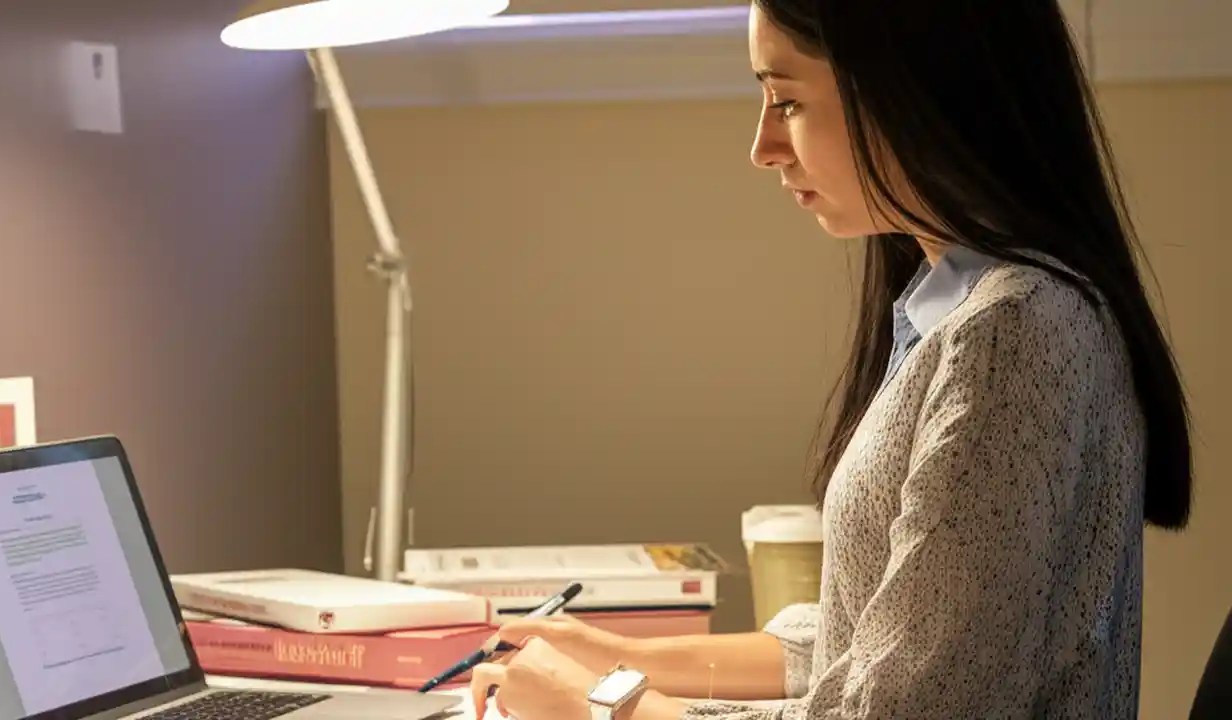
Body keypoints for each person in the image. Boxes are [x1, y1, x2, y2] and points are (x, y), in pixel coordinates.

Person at [469, 0, 1192, 718]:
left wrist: (598, 709)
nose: (763, 147)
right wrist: (619, 659)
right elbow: (883, 639)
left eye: (785, 101)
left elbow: (903, 705)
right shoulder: (952, 308)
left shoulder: (1014, 333)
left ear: (905, 87)